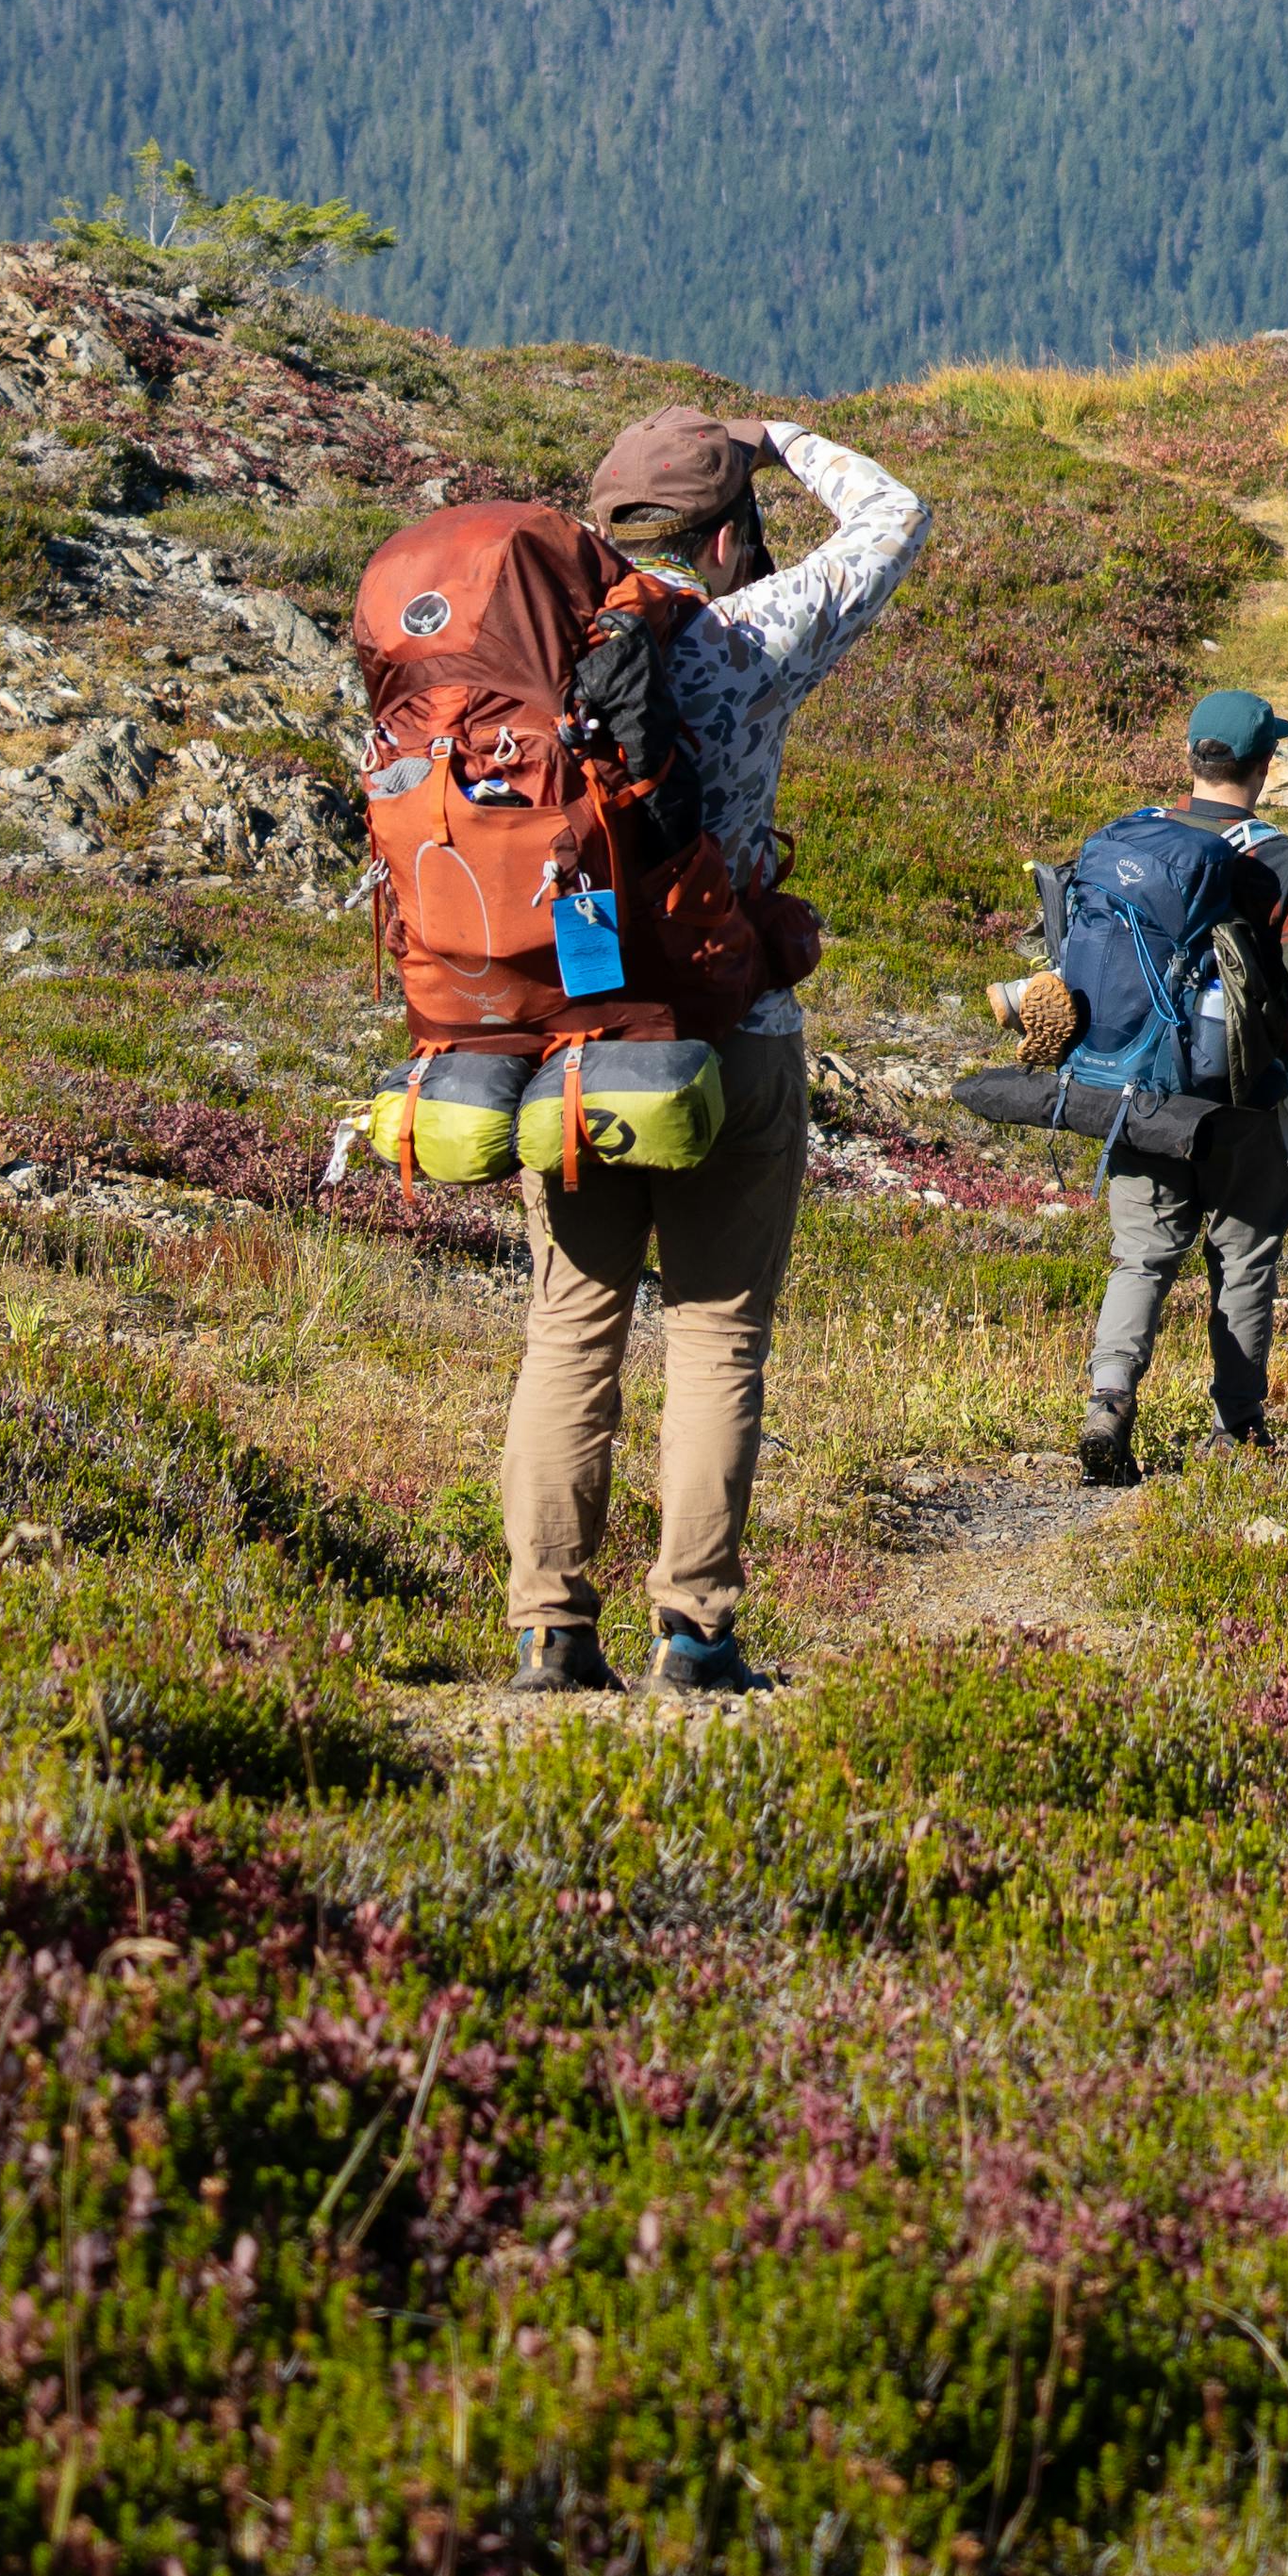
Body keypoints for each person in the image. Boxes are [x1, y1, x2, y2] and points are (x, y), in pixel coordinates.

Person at [504, 405, 922, 1697]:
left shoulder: (538, 650)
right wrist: (785, 433)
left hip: (569, 1042)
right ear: (730, 534)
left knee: (571, 1326)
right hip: (732, 1030)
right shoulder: (747, 639)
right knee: (716, 1330)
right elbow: (896, 518)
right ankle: (694, 1633)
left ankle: (548, 1630)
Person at [1073, 683, 1288, 1489]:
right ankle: (1238, 1427)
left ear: (1192, 758)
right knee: (1244, 1259)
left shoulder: (1131, 839)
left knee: (1141, 1256)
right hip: (1244, 1101)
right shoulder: (1280, 861)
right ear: (1265, 764)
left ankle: (1109, 1404)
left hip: (1141, 1094)